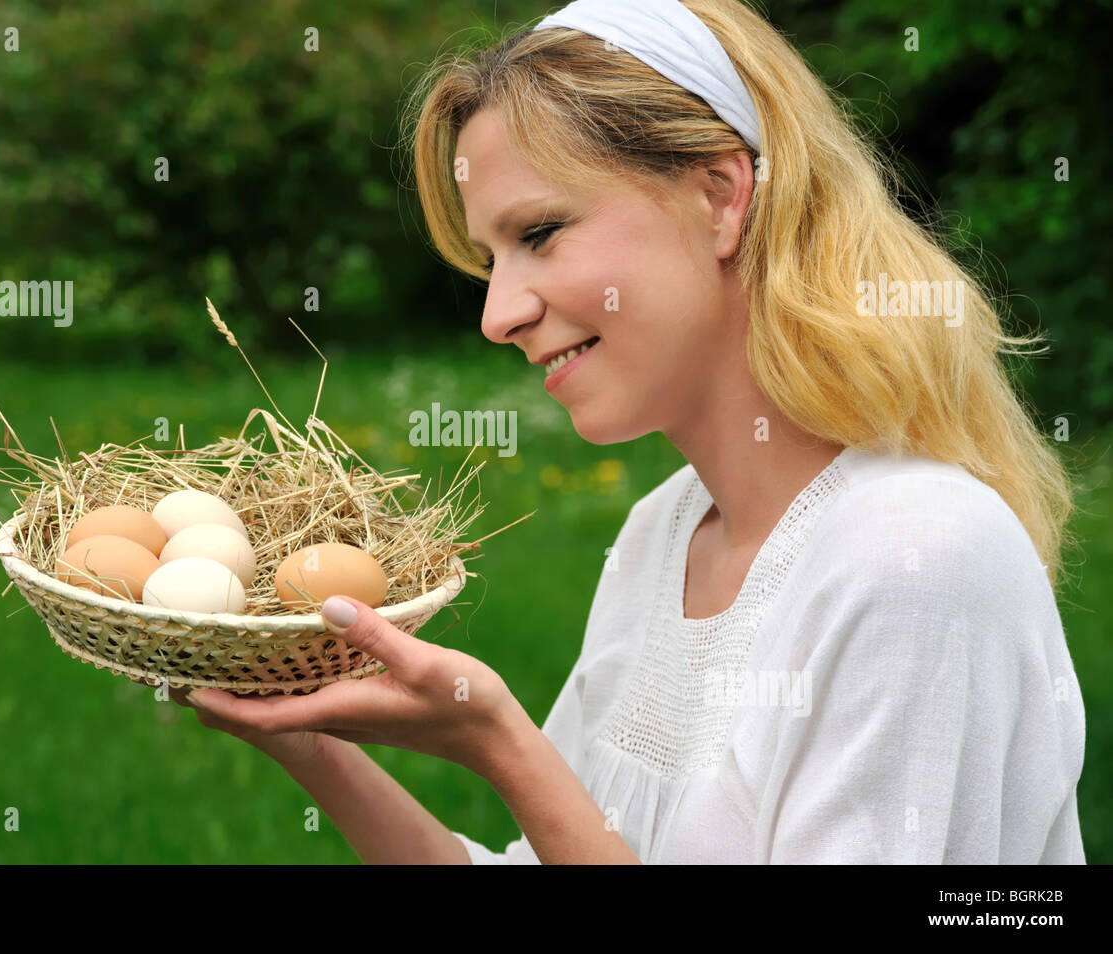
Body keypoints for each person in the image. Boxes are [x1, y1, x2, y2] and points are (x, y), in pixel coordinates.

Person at [173, 0, 1086, 864]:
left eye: (542, 232)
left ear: (721, 197)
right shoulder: (664, 533)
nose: (497, 314)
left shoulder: (917, 557)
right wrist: (296, 725)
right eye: (492, 259)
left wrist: (504, 748)